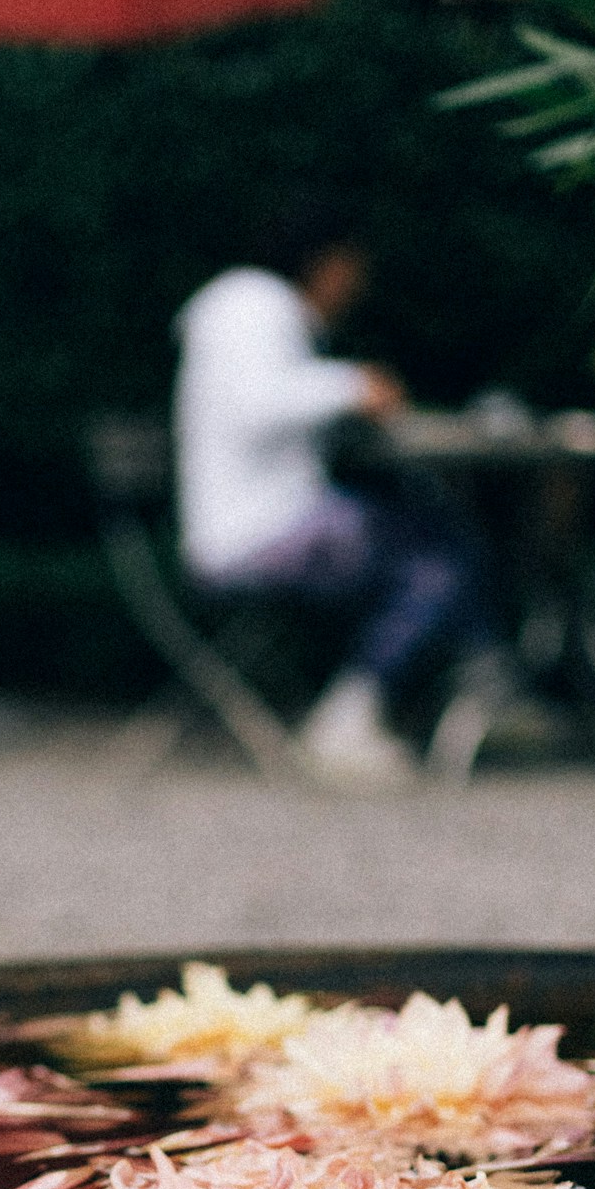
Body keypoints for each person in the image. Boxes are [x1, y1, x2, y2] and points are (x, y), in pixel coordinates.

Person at [173, 195, 493, 783]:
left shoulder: (243, 306)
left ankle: (477, 687)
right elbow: (258, 405)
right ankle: (355, 715)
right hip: (257, 535)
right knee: (439, 557)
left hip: (256, 526)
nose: (356, 288)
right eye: (353, 271)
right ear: (328, 263)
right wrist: (353, 386)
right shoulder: (254, 304)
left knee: (426, 530)